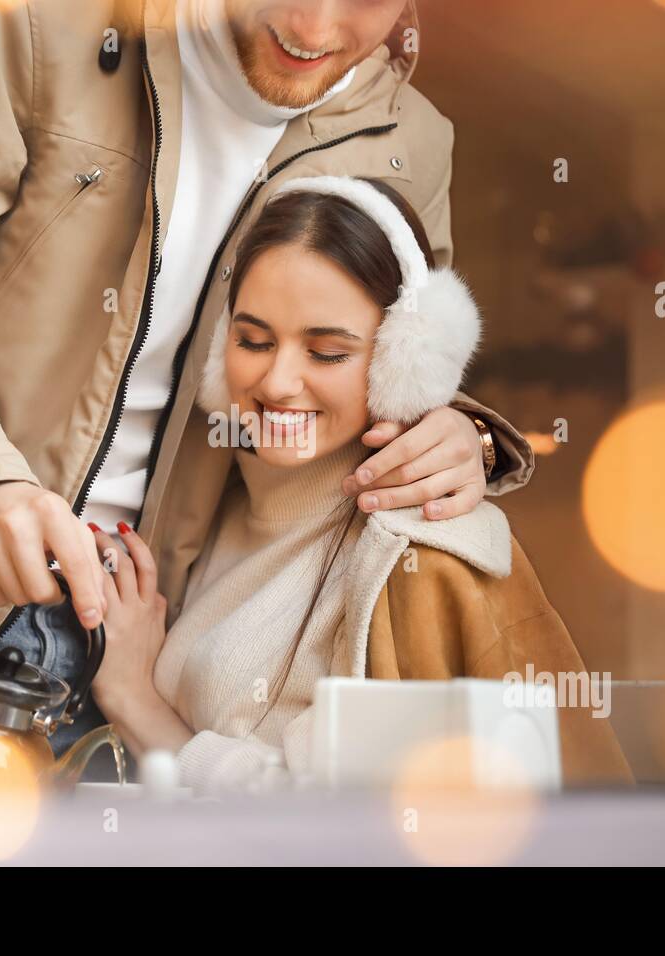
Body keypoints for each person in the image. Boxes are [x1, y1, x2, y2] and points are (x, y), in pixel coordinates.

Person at [0, 0, 535, 790]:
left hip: (139, 661)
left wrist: (458, 434)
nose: (310, 30)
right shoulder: (24, 19)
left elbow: (386, 367)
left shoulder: (413, 140)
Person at [86, 177, 634, 795]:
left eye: (326, 353)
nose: (277, 381)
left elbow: (354, 825)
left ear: (404, 361)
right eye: (253, 340)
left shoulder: (421, 551)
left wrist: (135, 702)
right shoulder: (217, 503)